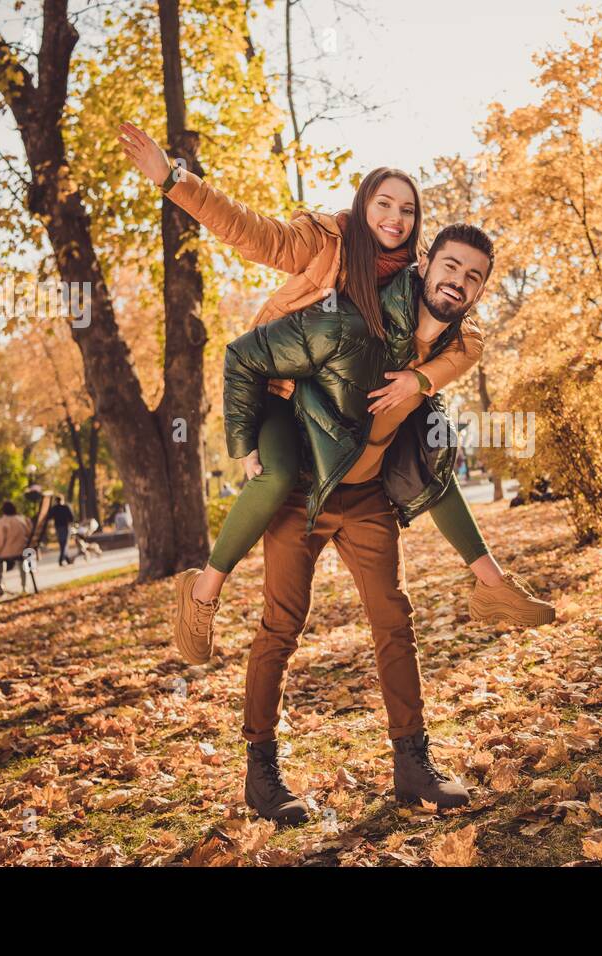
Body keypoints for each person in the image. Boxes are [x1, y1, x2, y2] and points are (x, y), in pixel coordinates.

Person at [116, 125, 553, 655]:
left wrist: (421, 379)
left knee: (430, 446)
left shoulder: (414, 276)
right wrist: (173, 179)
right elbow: (250, 231)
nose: (395, 218)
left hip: (350, 403)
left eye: (408, 210)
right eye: (384, 204)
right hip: (283, 388)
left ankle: (492, 585)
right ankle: (203, 591)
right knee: (274, 476)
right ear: (363, 205)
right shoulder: (325, 242)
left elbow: (469, 334)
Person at [197, 224, 506, 823]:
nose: (459, 281)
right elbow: (251, 354)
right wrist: (252, 439)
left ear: (480, 292)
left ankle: (412, 764)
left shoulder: (450, 350)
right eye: (451, 266)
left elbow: (431, 455)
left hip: (366, 500)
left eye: (473, 276)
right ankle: (261, 769)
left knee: (394, 621)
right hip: (302, 494)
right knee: (281, 627)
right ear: (424, 265)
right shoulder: (356, 316)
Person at [0, 501, 32, 597]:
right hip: (21, 549)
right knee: (21, 561)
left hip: (8, 552)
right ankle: (24, 586)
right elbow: (28, 533)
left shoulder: (1, 522)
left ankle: (0, 585)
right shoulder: (21, 519)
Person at [46, 495, 75, 566]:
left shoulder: (54, 508)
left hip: (58, 527)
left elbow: (49, 516)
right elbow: (72, 518)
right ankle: (61, 559)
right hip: (65, 526)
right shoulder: (66, 507)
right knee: (64, 543)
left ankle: (67, 559)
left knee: (62, 543)